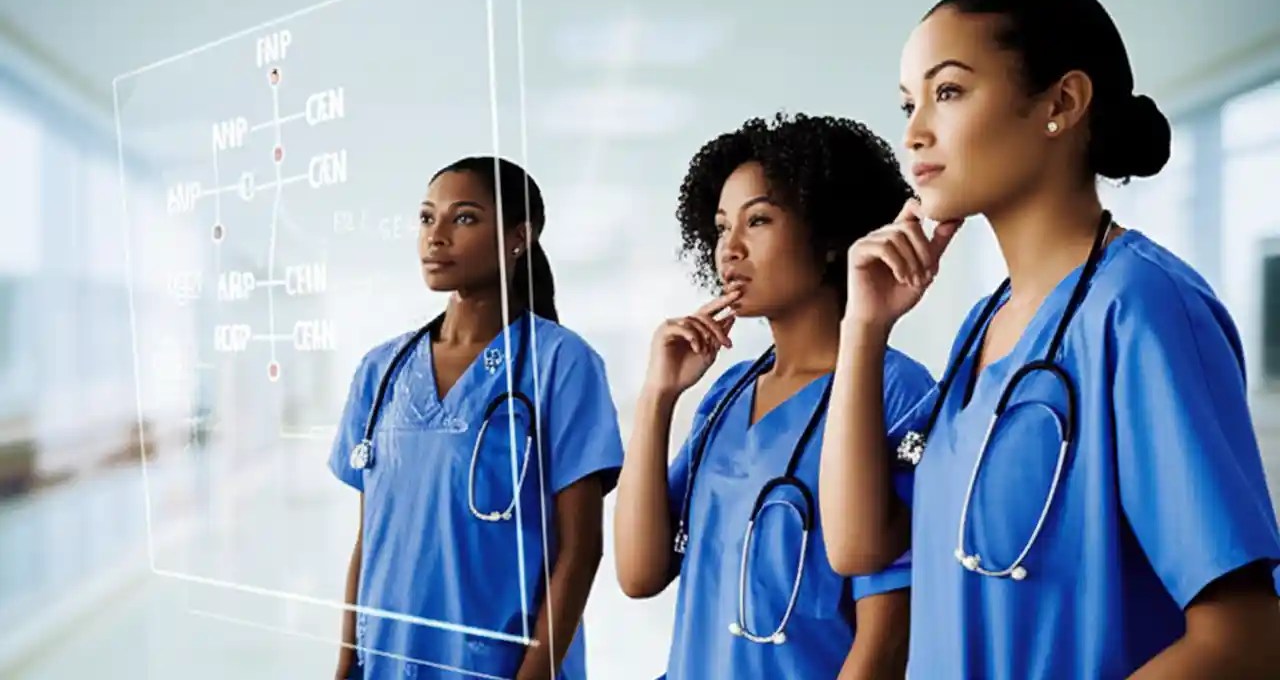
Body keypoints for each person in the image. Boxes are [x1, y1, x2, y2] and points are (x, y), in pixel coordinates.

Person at [819, 0, 1280, 679]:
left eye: (948, 92)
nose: (913, 133)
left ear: (1060, 102)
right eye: (909, 103)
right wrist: (863, 328)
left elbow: (1244, 639)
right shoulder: (984, 326)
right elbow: (857, 547)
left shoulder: (1143, 308)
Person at [613, 113, 935, 679]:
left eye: (757, 220)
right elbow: (640, 575)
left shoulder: (895, 393)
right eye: (719, 227)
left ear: (832, 235)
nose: (729, 249)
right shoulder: (727, 395)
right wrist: (657, 397)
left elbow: (885, 642)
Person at [328, 156, 624, 679]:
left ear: (519, 236)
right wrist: (347, 663)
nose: (435, 236)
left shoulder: (560, 363)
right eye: (426, 218)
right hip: (388, 663)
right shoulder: (381, 371)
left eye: (463, 218)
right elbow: (368, 540)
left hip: (502, 667)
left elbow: (580, 552)